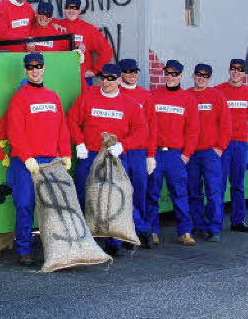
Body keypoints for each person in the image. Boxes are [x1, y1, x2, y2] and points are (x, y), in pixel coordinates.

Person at [67, 62, 148, 255]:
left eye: (111, 79)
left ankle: (114, 241)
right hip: (90, 155)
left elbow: (141, 130)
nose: (106, 82)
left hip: (114, 157)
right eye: (103, 78)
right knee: (84, 195)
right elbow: (71, 119)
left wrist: (123, 145)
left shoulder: (130, 104)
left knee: (114, 199)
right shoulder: (88, 96)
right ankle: (86, 238)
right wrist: (79, 143)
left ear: (120, 80)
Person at [5, 53, 73, 265]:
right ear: (25, 70)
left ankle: (52, 246)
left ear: (44, 68)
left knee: (51, 206)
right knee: (25, 204)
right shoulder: (19, 98)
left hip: (50, 161)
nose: (35, 70)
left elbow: (62, 128)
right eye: (30, 67)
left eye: (38, 66)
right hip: (26, 162)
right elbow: (14, 131)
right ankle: (24, 248)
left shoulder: (53, 97)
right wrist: (26, 158)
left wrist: (65, 153)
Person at [147, 59, 199, 246]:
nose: (170, 77)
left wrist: (186, 155)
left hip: (176, 155)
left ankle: (184, 231)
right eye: (167, 73)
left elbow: (193, 130)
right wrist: (149, 154)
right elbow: (146, 125)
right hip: (156, 153)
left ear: (181, 76)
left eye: (174, 74)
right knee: (152, 193)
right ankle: (152, 231)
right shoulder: (153, 95)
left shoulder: (188, 100)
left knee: (180, 193)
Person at [186, 63, 231, 242]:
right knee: (194, 191)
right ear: (193, 75)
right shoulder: (186, 95)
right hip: (191, 153)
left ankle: (214, 227)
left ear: (210, 78)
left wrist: (220, 148)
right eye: (198, 74)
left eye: (205, 76)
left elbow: (226, 125)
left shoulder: (217, 96)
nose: (201, 78)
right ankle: (198, 224)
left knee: (213, 191)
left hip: (210, 153)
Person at [117, 58, 158, 248]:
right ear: (121, 74)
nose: (133, 75)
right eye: (128, 71)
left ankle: (137, 229)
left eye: (135, 71)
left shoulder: (145, 96)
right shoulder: (115, 93)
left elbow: (152, 127)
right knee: (121, 193)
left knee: (139, 191)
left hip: (139, 153)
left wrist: (151, 155)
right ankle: (124, 231)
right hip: (120, 152)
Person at [215, 59, 248, 233]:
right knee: (219, 184)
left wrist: (238, 124)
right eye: (233, 69)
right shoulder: (219, 91)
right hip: (222, 144)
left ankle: (238, 221)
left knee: (238, 184)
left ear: (243, 74)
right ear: (229, 71)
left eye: (239, 70)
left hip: (240, 143)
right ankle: (215, 222)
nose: (236, 72)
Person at [55, 0, 113, 88]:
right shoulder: (56, 26)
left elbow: (106, 50)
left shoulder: (88, 29)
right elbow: (38, 19)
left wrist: (95, 70)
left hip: (82, 78)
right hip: (60, 77)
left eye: (75, 8)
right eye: (69, 7)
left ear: (79, 11)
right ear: (64, 10)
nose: (71, 11)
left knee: (84, 102)